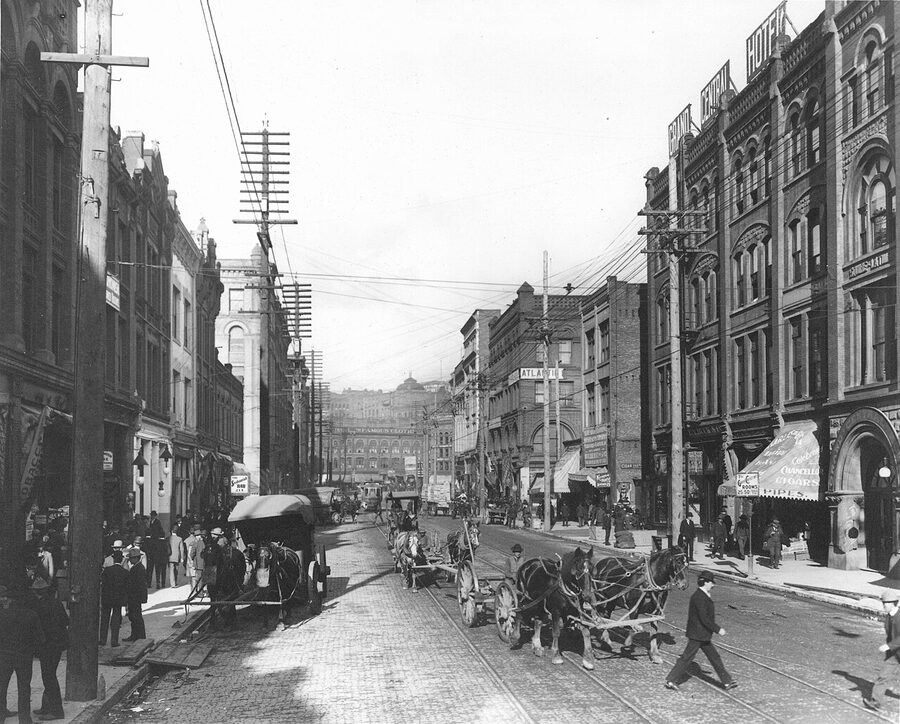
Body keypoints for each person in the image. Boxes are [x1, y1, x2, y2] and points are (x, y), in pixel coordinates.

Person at [665, 571, 737, 692]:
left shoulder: (702, 595)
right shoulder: (699, 597)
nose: (713, 585)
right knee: (687, 658)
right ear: (705, 583)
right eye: (711, 583)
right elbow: (704, 618)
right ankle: (671, 680)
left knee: (715, 657)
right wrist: (718, 629)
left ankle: (727, 681)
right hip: (697, 634)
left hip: (702, 635)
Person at [0, 584, 45, 724]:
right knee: (24, 687)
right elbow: (40, 638)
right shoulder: (31, 615)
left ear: (12, 600)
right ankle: (24, 718)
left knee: (2, 686)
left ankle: (1, 714)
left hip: (4, 655)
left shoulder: (2, 615)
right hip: (24, 656)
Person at [31, 578, 68, 721]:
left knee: (49, 678)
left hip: (46, 646)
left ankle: (57, 711)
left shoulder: (37, 606)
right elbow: (66, 620)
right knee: (49, 675)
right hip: (58, 645)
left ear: (35, 592)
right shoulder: (56, 602)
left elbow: (36, 629)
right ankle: (46, 707)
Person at [864, 588, 900, 711]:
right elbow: (890, 635)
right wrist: (889, 649)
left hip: (894, 648)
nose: (883, 605)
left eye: (885, 603)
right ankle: (876, 702)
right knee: (883, 675)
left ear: (893, 603)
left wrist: (889, 646)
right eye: (883, 603)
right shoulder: (888, 617)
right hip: (894, 654)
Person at [100, 549, 128, 647]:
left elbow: (102, 584)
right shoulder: (125, 572)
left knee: (104, 619)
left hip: (107, 598)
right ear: (121, 560)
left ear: (113, 558)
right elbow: (126, 587)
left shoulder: (107, 570)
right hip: (118, 599)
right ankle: (114, 641)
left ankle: (102, 640)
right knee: (116, 619)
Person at [123, 548, 148, 641]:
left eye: (131, 558)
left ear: (136, 558)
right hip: (135, 596)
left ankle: (140, 636)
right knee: (133, 616)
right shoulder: (137, 567)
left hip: (135, 596)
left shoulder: (138, 569)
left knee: (136, 616)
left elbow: (140, 585)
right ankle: (135, 635)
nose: (129, 560)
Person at [147, 511, 167, 589]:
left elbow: (156, 531)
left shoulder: (157, 522)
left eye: (153, 515)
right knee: (154, 568)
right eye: (151, 515)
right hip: (154, 549)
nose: (152, 517)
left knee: (156, 568)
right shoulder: (151, 522)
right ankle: (153, 583)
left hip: (154, 549)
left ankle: (158, 583)